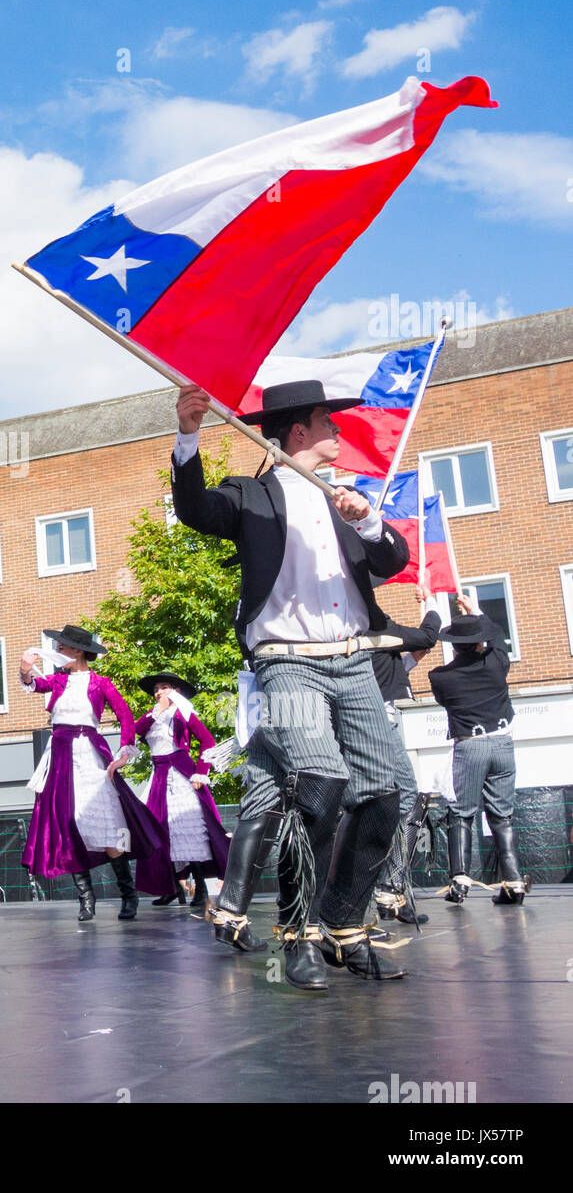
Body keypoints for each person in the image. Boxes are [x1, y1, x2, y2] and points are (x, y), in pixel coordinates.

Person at [172, 381, 411, 992]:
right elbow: (196, 509)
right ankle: (297, 933)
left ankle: (343, 927)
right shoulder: (251, 496)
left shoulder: (345, 499)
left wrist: (372, 521)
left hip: (354, 660)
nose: (338, 431)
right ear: (298, 433)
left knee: (386, 792)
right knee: (320, 785)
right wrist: (189, 434)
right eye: (327, 422)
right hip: (288, 662)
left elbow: (391, 563)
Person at [20, 625, 163, 921]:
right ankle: (86, 898)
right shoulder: (57, 680)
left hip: (89, 752)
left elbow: (124, 715)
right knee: (67, 823)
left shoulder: (101, 682)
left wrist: (125, 752)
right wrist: (25, 669)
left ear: (78, 651)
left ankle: (128, 894)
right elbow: (34, 684)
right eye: (57, 647)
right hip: (59, 754)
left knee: (108, 824)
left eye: (62, 648)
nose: (57, 652)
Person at [429, 596, 527, 906]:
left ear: (454, 646)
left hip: (470, 746)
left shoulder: (440, 677)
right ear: (480, 643)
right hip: (502, 743)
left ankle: (459, 882)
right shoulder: (497, 663)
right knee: (502, 816)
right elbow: (497, 635)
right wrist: (477, 613)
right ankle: (514, 881)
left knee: (462, 814)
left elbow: (445, 702)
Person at [369, 593, 441, 927]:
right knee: (409, 797)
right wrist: (432, 605)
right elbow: (427, 636)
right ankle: (390, 888)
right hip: (382, 721)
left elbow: (412, 655)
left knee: (373, 800)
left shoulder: (353, 639)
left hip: (363, 721)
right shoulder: (381, 631)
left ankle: (384, 892)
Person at [132, 672, 230, 910]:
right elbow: (137, 729)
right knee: (160, 831)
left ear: (175, 690)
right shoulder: (151, 717)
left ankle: (201, 888)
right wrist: (157, 710)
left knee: (188, 829)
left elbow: (207, 741)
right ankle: (172, 889)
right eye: (156, 689)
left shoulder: (183, 713)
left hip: (181, 773)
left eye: (164, 687)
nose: (158, 692)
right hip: (159, 777)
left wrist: (201, 772)